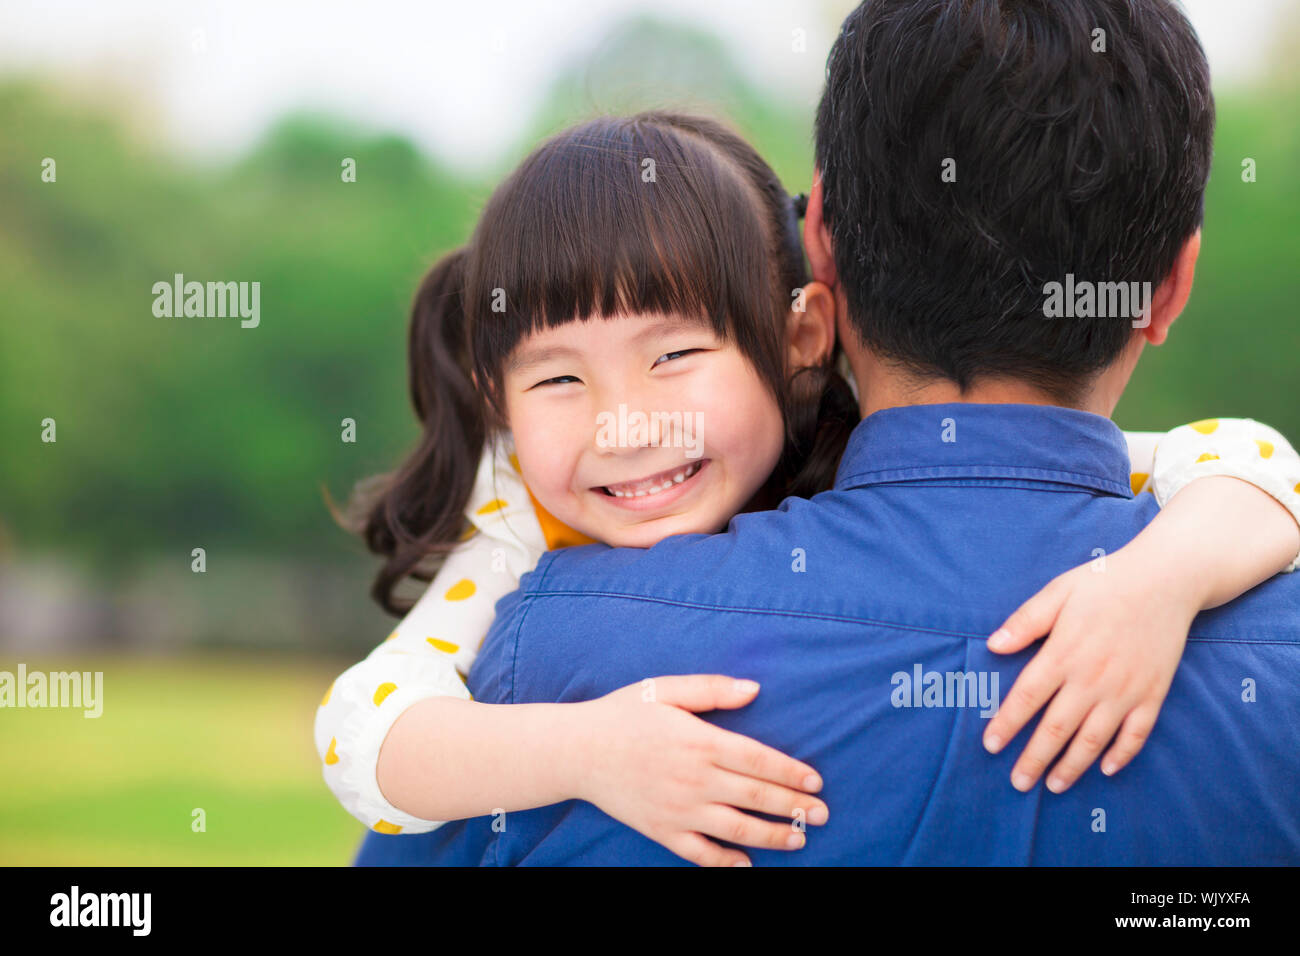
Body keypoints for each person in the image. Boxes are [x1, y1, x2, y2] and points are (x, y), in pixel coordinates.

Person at [327, 60, 1299, 866]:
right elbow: (361, 730)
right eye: (555, 381)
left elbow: (1243, 459)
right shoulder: (519, 534)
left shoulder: (843, 458)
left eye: (673, 357)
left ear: (802, 331)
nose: (622, 426)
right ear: (496, 397)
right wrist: (583, 747)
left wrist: (1158, 582)